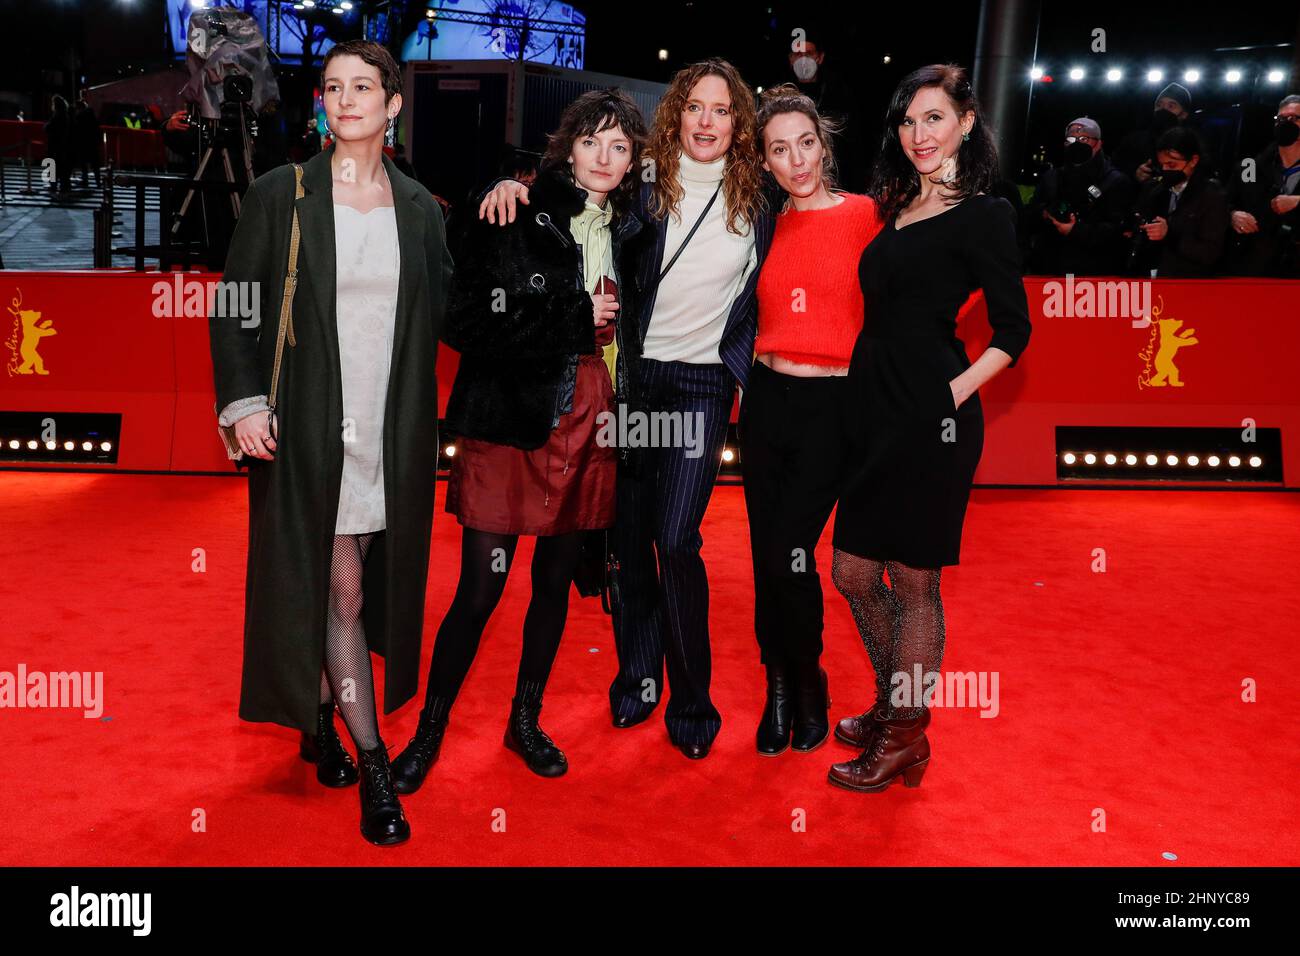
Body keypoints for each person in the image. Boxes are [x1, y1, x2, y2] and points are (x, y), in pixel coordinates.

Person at [478, 59, 776, 759]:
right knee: (630, 545)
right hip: (634, 384)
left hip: (703, 389)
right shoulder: (642, 191)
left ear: (739, 125)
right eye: (695, 107)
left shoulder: (759, 203)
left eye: (722, 110)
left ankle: (693, 699)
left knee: (677, 540)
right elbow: (569, 203)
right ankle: (638, 676)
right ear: (676, 116)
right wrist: (512, 186)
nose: (707, 120)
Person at [208, 39, 454, 845]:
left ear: (392, 105)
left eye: (363, 87)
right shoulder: (285, 191)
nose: (345, 99)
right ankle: (376, 762)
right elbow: (240, 297)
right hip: (306, 420)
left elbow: (452, 316)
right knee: (339, 589)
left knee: (338, 581)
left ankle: (321, 714)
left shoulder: (420, 208)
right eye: (332, 87)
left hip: (390, 426)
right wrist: (243, 399)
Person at [389, 89, 647, 788]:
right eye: (592, 141)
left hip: (593, 415)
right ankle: (427, 734)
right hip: (512, 414)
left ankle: (524, 720)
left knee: (555, 587)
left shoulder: (633, 229)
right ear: (566, 147)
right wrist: (573, 315)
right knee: (480, 589)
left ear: (633, 164)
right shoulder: (515, 210)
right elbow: (465, 323)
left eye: (620, 146)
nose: (605, 157)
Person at [828, 63, 1030, 792]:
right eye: (909, 121)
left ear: (967, 122)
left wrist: (949, 395)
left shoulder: (984, 214)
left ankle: (905, 734)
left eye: (935, 118)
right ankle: (895, 703)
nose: (920, 134)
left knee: (914, 581)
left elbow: (1013, 331)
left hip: (930, 420)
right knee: (851, 570)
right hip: (872, 408)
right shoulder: (895, 207)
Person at [742, 84, 881, 757]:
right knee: (767, 556)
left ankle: (808, 678)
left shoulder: (868, 216)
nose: (796, 160)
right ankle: (780, 685)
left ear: (823, 145)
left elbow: (942, 282)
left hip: (834, 407)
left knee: (787, 552)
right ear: (765, 163)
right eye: (779, 150)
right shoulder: (764, 225)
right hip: (766, 403)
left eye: (805, 143)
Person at [1025, 117, 1135, 275]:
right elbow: (1029, 217)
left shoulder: (1116, 181)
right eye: (1071, 139)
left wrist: (1076, 231)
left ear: (1098, 144)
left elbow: (1119, 230)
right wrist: (1045, 213)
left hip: (1093, 273)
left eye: (1084, 138)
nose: (1076, 143)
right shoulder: (1051, 177)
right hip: (1050, 267)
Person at [1128, 126, 1229, 278]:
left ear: (1193, 161)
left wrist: (1169, 235)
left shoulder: (1212, 195)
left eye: (1172, 164)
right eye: (1162, 164)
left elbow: (1210, 252)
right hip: (1149, 277)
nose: (1165, 169)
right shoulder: (1153, 188)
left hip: (1189, 283)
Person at [1227, 94, 1300, 277]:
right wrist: (1233, 214)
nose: (1286, 123)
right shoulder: (1250, 165)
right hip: (1254, 266)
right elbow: (1226, 200)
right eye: (1281, 118)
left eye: (1294, 118)